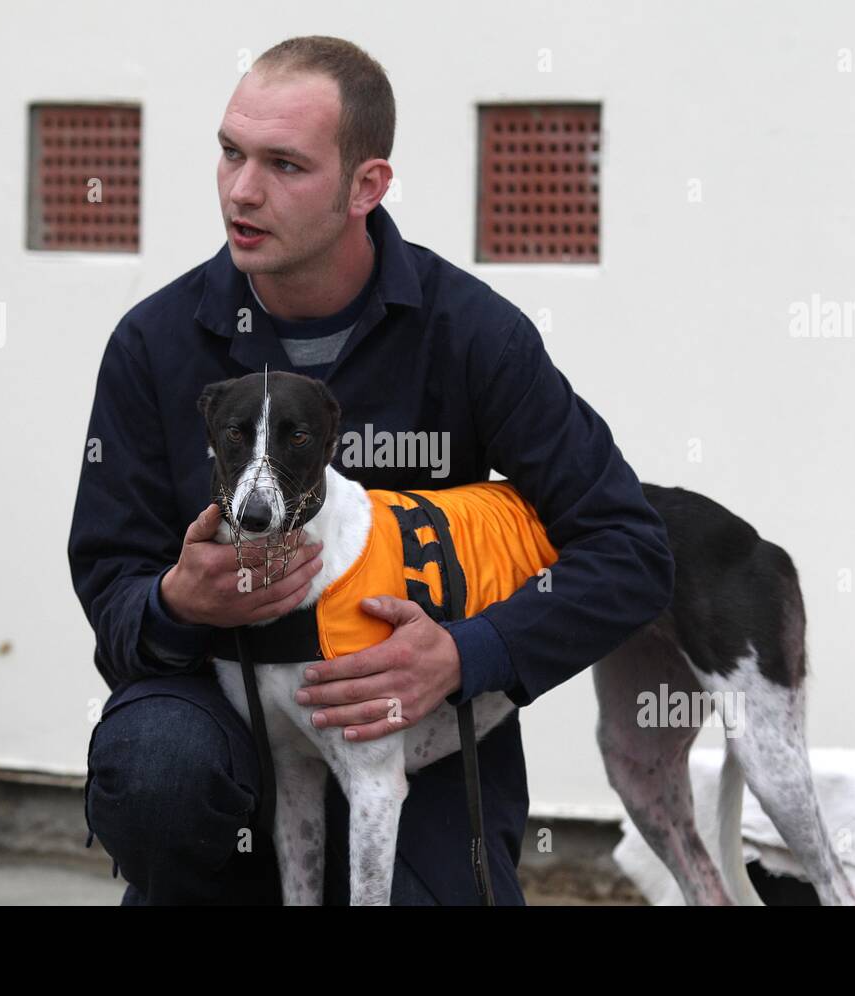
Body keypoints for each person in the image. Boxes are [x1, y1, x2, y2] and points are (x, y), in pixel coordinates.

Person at [68, 34, 675, 905]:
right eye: (231, 152)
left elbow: (629, 550)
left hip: (417, 740)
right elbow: (109, 584)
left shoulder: (473, 335)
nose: (242, 189)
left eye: (284, 164)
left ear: (368, 186)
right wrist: (173, 602)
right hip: (223, 735)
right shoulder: (153, 345)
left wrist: (468, 652)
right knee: (156, 770)